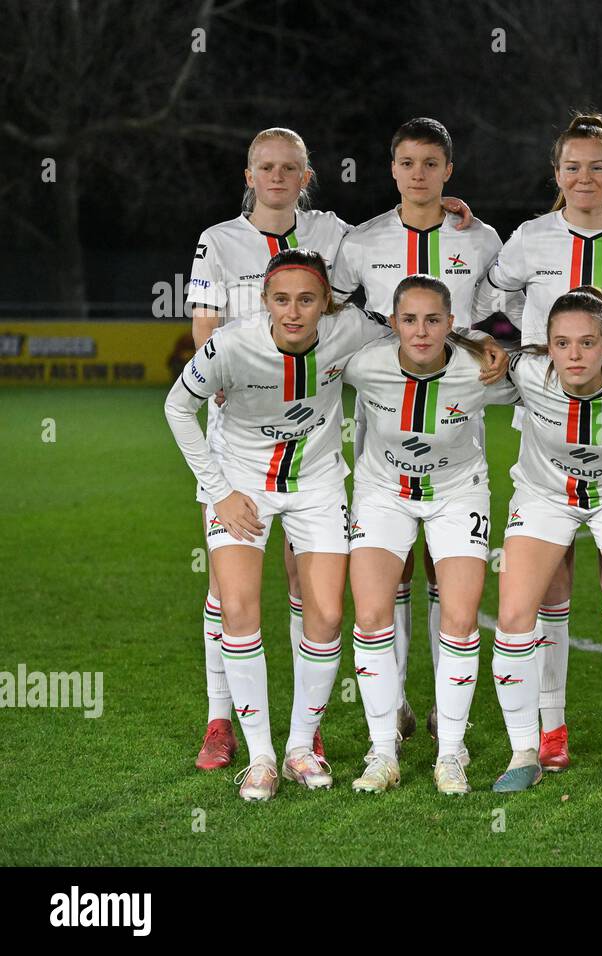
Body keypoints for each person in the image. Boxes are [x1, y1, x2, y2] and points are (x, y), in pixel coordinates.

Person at [472, 112, 602, 774]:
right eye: (572, 166)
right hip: (545, 424)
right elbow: (485, 294)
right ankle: (545, 736)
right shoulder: (528, 239)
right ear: (556, 175)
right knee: (541, 595)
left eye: (597, 166)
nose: (584, 178)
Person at [165, 250, 391, 801]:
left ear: (325, 303)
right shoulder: (232, 344)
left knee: (329, 613)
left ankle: (298, 746)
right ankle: (261, 755)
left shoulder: (350, 330)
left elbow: (413, 331)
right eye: (282, 299)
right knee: (238, 606)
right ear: (265, 301)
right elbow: (176, 407)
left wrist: (484, 351)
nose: (294, 312)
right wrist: (219, 492)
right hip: (242, 486)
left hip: (316, 486)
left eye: (307, 300)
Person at [330, 116, 508, 745]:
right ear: (393, 168)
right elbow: (333, 312)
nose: (419, 174)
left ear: (448, 170)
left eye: (431, 164)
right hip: (382, 416)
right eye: (407, 163)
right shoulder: (362, 240)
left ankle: (442, 708)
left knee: (446, 565)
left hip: (456, 419)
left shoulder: (481, 238)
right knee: (390, 566)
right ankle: (397, 703)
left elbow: (500, 314)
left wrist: (493, 349)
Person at [186, 128, 348, 771]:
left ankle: (305, 730)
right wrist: (225, 381)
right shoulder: (218, 240)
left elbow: (399, 247)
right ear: (248, 174)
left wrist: (448, 209)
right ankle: (221, 718)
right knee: (231, 592)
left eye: (290, 167)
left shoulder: (334, 235)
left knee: (308, 589)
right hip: (242, 440)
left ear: (307, 176)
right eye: (266, 167)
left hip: (312, 444)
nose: (278, 176)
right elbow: (204, 321)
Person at [489, 287, 602, 795]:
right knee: (513, 615)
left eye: (587, 343)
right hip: (544, 496)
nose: (574, 355)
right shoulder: (526, 374)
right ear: (545, 347)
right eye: (562, 343)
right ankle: (527, 749)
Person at [342, 274, 510, 795]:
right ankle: (382, 752)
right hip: (382, 491)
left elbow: (551, 377)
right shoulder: (363, 363)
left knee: (460, 618)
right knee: (370, 616)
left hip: (458, 493)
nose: (420, 331)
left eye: (433, 320)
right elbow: (305, 364)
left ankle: (451, 751)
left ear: (451, 325)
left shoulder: (481, 370)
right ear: (392, 324)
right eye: (409, 320)